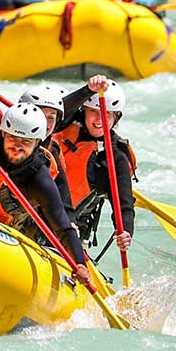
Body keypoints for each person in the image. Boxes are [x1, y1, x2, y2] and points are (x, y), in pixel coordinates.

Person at [0, 103, 90, 284]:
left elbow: (62, 226)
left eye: (26, 142)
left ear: (37, 143)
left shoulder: (39, 177)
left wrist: (79, 263)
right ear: (3, 133)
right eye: (13, 138)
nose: (17, 147)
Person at [51, 76, 136, 250]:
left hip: (71, 227)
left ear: (116, 118)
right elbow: (54, 109)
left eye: (107, 114)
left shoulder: (116, 156)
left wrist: (126, 231)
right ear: (84, 111)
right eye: (93, 112)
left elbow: (124, 205)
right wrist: (87, 90)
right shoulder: (63, 122)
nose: (99, 120)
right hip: (32, 208)